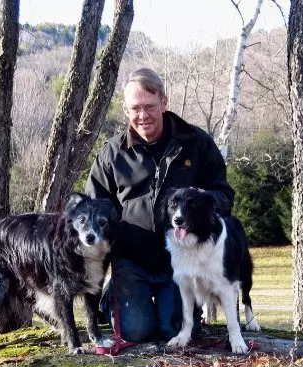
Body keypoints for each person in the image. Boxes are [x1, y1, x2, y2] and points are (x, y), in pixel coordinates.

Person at [85, 67, 234, 343]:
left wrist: (203, 202)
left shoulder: (196, 144)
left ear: (164, 102)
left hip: (182, 259)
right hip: (131, 259)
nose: (143, 116)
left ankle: (174, 309)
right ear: (125, 109)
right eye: (135, 108)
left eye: (150, 107)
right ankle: (113, 298)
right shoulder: (111, 154)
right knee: (137, 332)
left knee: (173, 330)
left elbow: (224, 196)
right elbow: (92, 210)